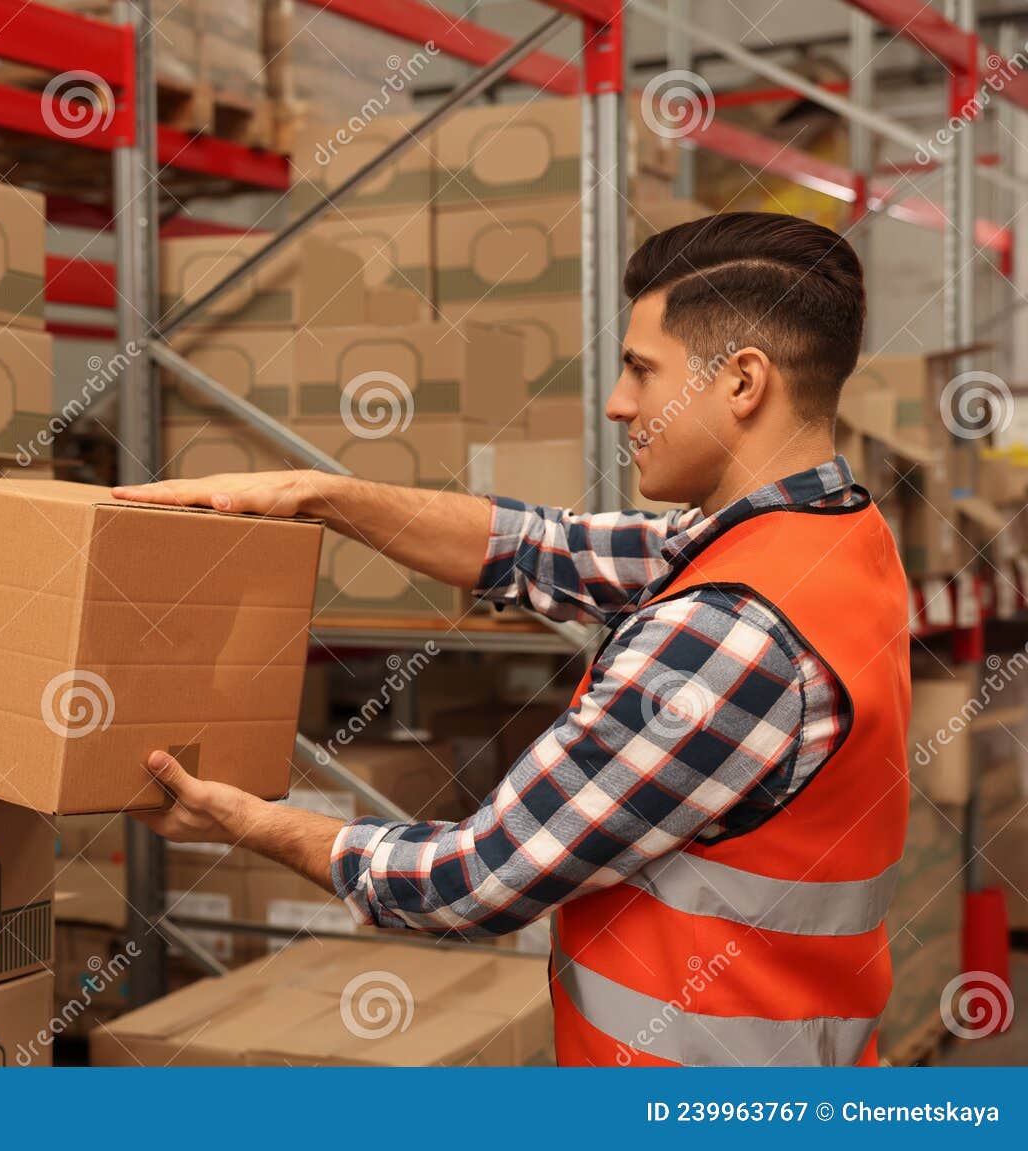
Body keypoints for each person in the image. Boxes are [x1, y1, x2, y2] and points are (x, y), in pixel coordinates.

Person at [111, 211, 911, 1067]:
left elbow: (476, 881)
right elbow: (539, 546)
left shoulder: (725, 635)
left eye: (643, 370)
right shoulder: (830, 533)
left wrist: (252, 824)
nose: (618, 402)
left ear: (742, 383)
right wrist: (317, 495)